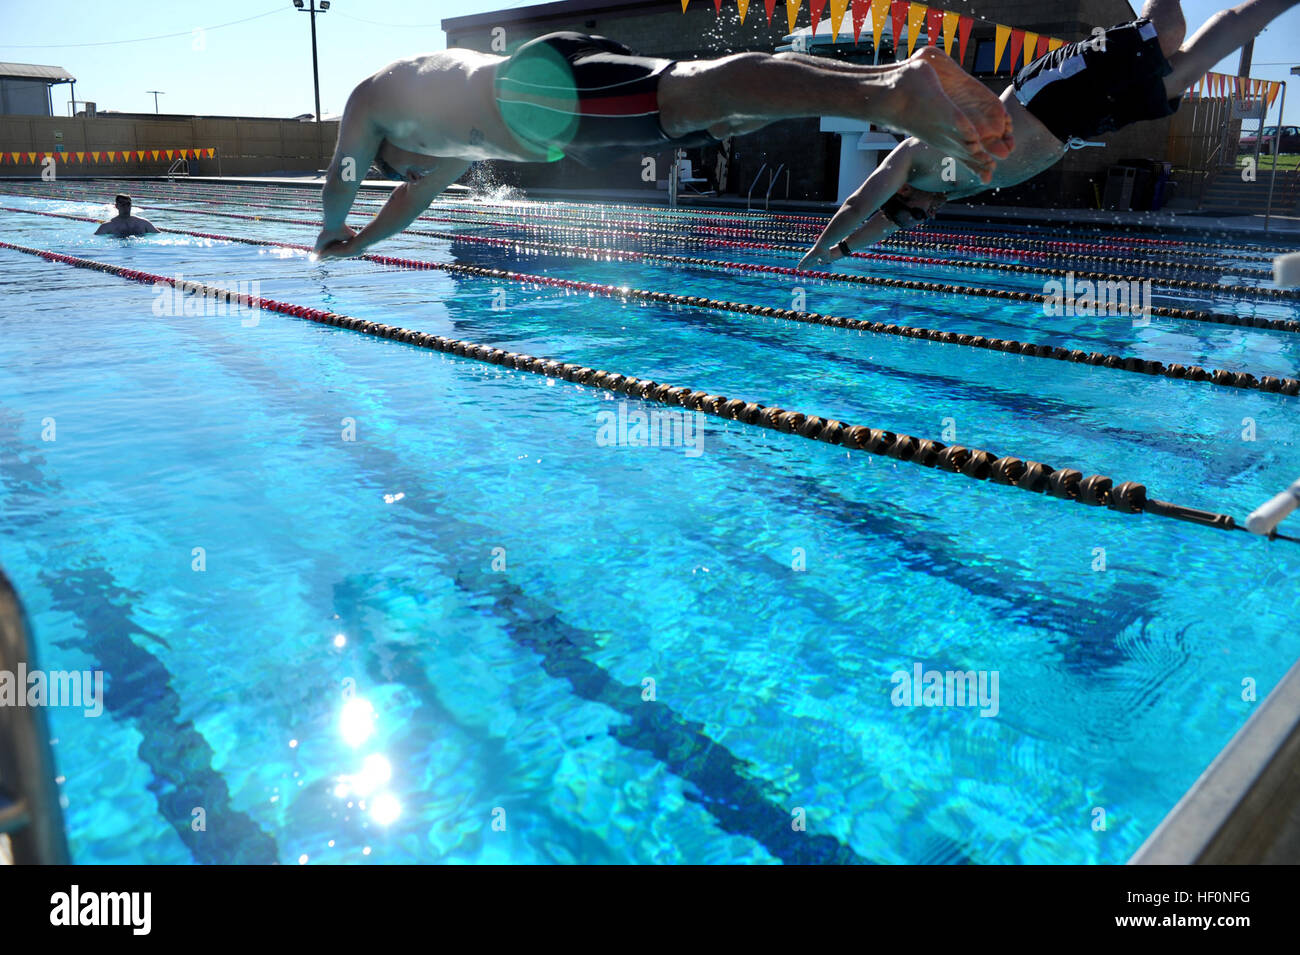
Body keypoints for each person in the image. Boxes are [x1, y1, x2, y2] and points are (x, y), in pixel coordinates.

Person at [313, 32, 1015, 259]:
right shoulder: (436, 137)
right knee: (722, 114)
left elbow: (345, 173)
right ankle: (889, 82)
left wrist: (331, 228)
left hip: (534, 95)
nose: (418, 178)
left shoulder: (375, 100)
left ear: (394, 157)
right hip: (549, 99)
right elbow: (408, 204)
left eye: (404, 172)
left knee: (705, 92)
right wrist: (364, 243)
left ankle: (893, 87)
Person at [799, 0, 1300, 268]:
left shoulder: (912, 158)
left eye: (912, 212)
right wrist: (839, 255)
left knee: (1163, 36)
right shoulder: (947, 188)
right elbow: (876, 227)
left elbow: (857, 208)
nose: (922, 218)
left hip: (1049, 96)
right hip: (1080, 122)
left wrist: (814, 252)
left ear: (904, 193)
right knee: (1187, 69)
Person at [94, 195, 159, 237]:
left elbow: (159, 235)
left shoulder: (143, 223)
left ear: (131, 205)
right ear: (116, 206)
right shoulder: (107, 226)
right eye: (122, 204)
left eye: (128, 204)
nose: (125, 206)